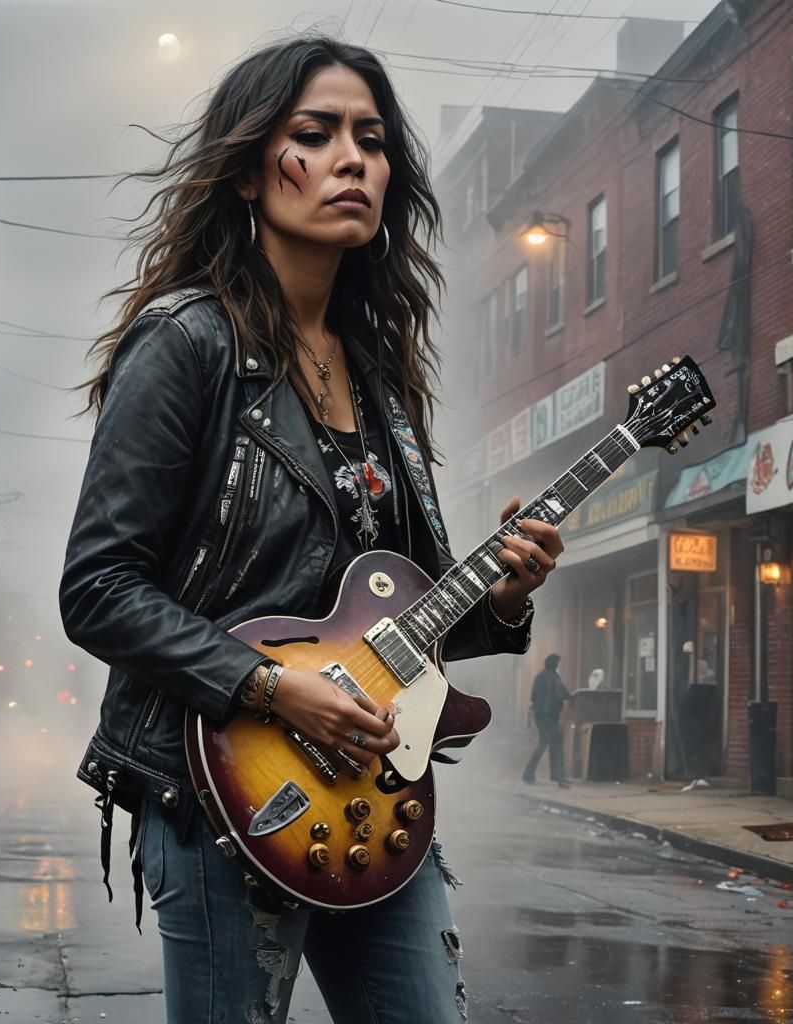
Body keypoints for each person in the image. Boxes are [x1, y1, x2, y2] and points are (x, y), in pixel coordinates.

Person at [59, 36, 564, 1024]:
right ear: (251, 170)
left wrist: (501, 596)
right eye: (315, 134)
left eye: (370, 141)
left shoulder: (380, 378)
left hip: (372, 804)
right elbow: (99, 587)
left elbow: (404, 619)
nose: (350, 158)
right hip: (220, 795)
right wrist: (275, 688)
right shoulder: (187, 344)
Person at [522, 654, 573, 787]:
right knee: (556, 743)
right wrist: (569, 696)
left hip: (539, 715)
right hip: (549, 716)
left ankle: (528, 773)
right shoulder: (554, 677)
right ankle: (558, 776)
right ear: (555, 664)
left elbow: (533, 696)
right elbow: (562, 693)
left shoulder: (539, 677)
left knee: (543, 745)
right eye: (558, 663)